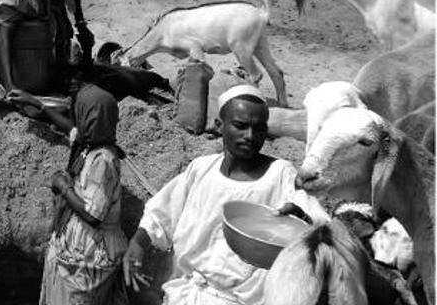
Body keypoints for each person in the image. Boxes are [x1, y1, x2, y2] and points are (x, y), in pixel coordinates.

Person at [121, 85, 328, 304]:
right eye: (240, 126)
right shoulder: (201, 169)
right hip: (185, 294)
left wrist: (301, 219)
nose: (250, 136)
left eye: (259, 129)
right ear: (219, 125)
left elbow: (319, 223)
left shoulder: (280, 175)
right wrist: (137, 244)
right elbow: (161, 213)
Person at [28, 84, 129, 305]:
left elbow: (93, 215)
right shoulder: (88, 144)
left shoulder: (103, 161)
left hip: (90, 257)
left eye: (79, 112)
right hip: (76, 253)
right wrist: (37, 104)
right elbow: (69, 128)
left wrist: (63, 187)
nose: (75, 118)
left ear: (88, 118)